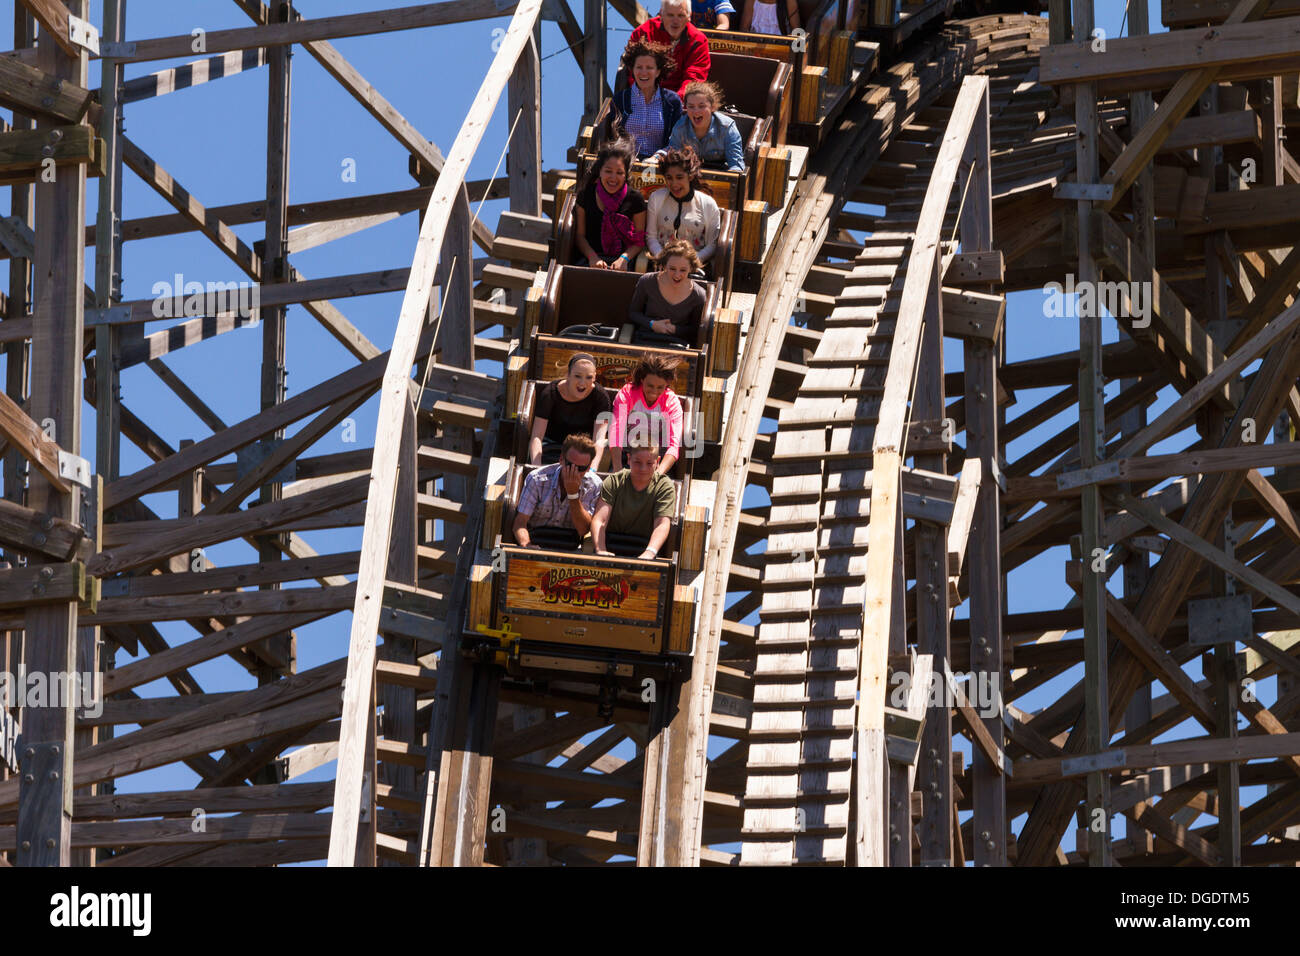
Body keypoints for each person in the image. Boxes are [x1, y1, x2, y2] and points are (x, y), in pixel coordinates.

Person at [512, 433, 603, 551]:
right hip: (535, 540)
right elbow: (520, 523)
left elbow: (583, 529)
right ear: (561, 459)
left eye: (581, 469)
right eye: (570, 465)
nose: (574, 472)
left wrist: (573, 495)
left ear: (588, 467)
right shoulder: (537, 479)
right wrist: (527, 545)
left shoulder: (594, 485)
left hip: (570, 547)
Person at [590, 442, 677, 559]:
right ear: (629, 458)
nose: (643, 468)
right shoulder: (614, 481)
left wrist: (649, 553)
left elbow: (661, 524)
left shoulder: (664, 486)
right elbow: (599, 520)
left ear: (658, 461)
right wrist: (601, 550)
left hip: (645, 547)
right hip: (611, 544)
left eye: (649, 463)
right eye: (637, 462)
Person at [573, 137, 647, 270]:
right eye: (608, 171)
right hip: (590, 259)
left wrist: (623, 259)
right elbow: (580, 236)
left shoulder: (635, 199)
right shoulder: (586, 195)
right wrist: (593, 257)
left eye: (619, 173)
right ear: (600, 171)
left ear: (625, 175)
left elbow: (639, 241)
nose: (613, 178)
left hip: (624, 261)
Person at [528, 353, 611, 466]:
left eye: (589, 377)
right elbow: (537, 436)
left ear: (595, 377)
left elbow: (599, 439)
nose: (582, 383)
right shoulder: (550, 394)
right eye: (578, 376)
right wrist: (536, 466)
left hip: (583, 450)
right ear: (568, 374)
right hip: (551, 446)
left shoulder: (601, 397)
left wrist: (592, 468)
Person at [611, 354, 684, 476]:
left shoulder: (671, 402)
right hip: (628, 452)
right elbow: (616, 432)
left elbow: (674, 444)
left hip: (656, 456)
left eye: (660, 387)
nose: (654, 391)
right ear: (642, 380)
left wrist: (658, 475)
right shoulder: (628, 394)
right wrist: (617, 470)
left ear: (666, 385)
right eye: (650, 386)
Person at [646, 146, 720, 266]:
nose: (674, 184)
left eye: (679, 177)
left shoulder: (708, 204)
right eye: (669, 178)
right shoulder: (656, 198)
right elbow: (651, 237)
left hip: (695, 266)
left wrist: (690, 262)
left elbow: (712, 244)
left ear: (690, 176)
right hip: (662, 264)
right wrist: (662, 258)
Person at [628, 239, 707, 348]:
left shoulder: (698, 295)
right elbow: (633, 313)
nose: (677, 275)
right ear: (664, 265)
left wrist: (674, 329)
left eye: (683, 270)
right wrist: (652, 324)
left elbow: (695, 330)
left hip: (677, 345)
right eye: (672, 269)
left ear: (691, 269)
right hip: (646, 339)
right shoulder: (647, 281)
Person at [611, 39, 683, 159]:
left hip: (661, 165)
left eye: (649, 68)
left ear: (658, 72)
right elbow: (612, 136)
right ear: (633, 70)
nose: (644, 73)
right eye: (639, 67)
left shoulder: (672, 101)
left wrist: (657, 158)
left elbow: (677, 140)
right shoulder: (620, 100)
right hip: (626, 163)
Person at [627, 0, 711, 98]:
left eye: (680, 15)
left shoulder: (698, 41)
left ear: (689, 16)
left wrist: (673, 102)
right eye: (670, 15)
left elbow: (693, 80)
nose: (675, 21)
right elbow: (635, 72)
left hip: (681, 104)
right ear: (661, 14)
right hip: (644, 98)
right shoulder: (643, 33)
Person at [657, 80, 744, 172]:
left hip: (720, 174)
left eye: (701, 106)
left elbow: (736, 165)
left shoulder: (727, 127)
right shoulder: (680, 127)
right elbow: (672, 153)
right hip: (690, 175)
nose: (696, 111)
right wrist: (656, 157)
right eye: (691, 106)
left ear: (712, 107)